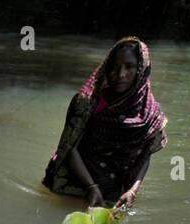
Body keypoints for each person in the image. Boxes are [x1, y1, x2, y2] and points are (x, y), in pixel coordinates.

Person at [42, 37, 169, 210]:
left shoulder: (150, 112)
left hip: (114, 194)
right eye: (115, 67)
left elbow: (144, 156)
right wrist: (91, 187)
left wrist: (132, 190)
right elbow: (70, 148)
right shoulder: (87, 101)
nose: (120, 74)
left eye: (129, 67)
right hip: (73, 184)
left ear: (141, 69)